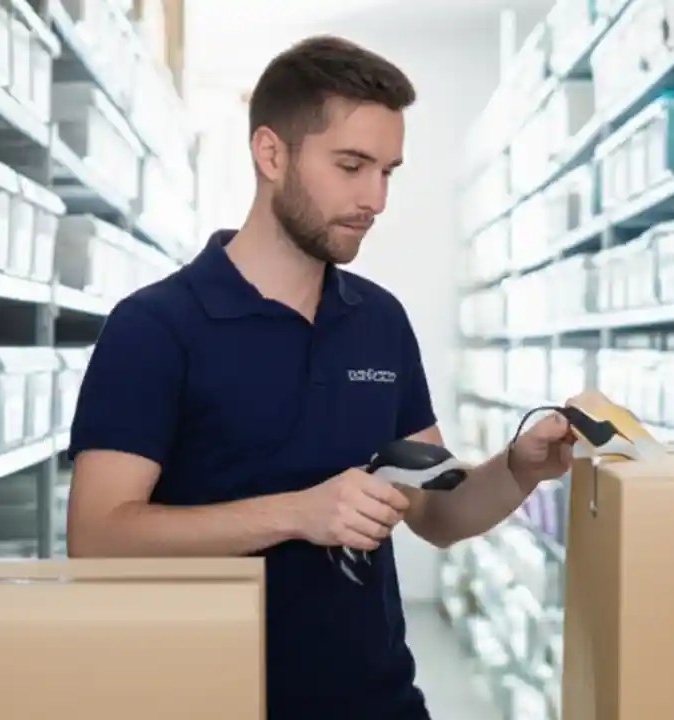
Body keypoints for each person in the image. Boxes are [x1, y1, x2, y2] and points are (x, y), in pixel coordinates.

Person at [64, 34, 575, 720]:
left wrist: (517, 469)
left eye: (388, 171)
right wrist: (299, 513)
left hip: (379, 701)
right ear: (271, 153)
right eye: (352, 166)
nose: (376, 198)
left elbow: (440, 511)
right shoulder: (155, 326)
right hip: (212, 702)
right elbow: (99, 539)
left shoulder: (380, 322)